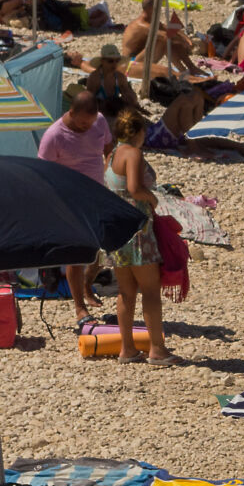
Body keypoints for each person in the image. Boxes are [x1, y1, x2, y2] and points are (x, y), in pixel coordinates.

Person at [104, 111, 175, 366]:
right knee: (150, 291)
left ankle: (127, 349)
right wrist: (153, 199)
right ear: (138, 132)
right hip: (138, 230)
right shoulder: (133, 153)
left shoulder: (111, 155)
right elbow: (134, 188)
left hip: (117, 229)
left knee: (126, 292)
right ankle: (157, 349)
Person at [38, 92, 112, 324]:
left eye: (89, 123)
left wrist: (110, 172)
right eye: (82, 124)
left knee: (101, 250)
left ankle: (87, 286)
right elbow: (43, 174)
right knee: (77, 254)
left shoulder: (99, 121)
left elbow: (109, 147)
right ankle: (80, 307)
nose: (86, 128)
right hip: (70, 201)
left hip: (98, 195)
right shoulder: (54, 136)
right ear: (71, 112)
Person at [122, 0, 201, 77]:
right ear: (151, 8)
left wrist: (186, 39)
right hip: (130, 67)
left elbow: (166, 28)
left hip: (140, 61)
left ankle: (191, 67)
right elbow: (165, 36)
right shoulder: (141, 25)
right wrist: (183, 42)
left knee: (172, 36)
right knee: (165, 40)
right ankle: (183, 71)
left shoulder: (150, 19)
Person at [83, 44, 139, 117]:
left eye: (117, 61)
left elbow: (131, 99)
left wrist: (129, 95)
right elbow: (89, 102)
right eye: (110, 61)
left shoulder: (120, 77)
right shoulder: (95, 78)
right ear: (102, 61)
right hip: (99, 114)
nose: (114, 64)